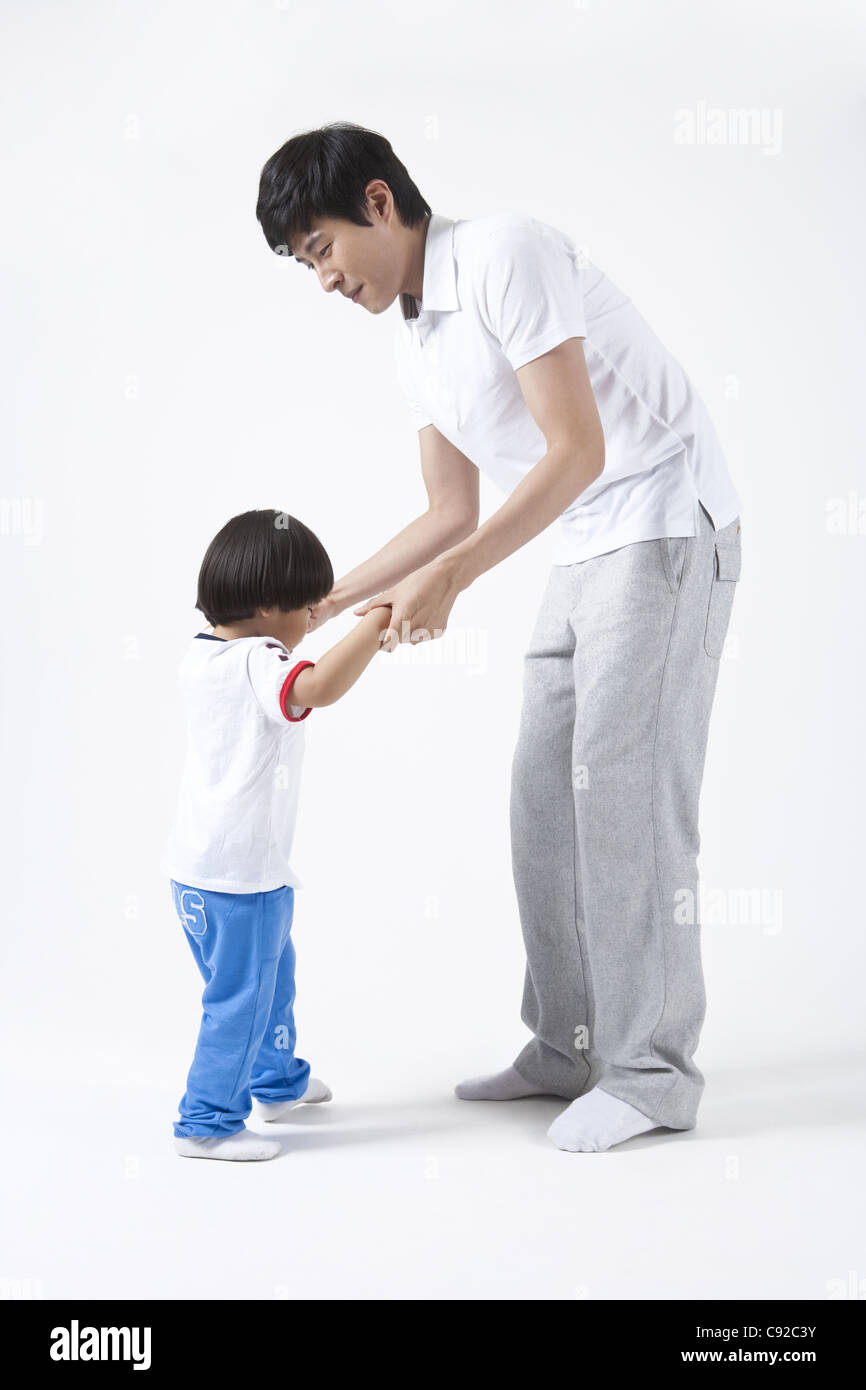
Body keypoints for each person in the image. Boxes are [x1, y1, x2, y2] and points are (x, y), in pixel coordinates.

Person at [255, 122, 743, 1154]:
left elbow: (576, 450)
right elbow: (445, 511)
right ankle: (569, 1043)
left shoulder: (500, 256)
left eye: (320, 249)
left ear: (379, 204)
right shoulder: (413, 341)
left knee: (623, 793)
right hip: (584, 541)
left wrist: (456, 581)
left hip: (660, 517)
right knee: (538, 797)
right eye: (305, 264)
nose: (323, 279)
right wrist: (328, 601)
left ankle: (651, 1072)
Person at [161, 508, 393, 1161]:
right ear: (268, 608)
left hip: (196, 870)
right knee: (241, 997)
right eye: (307, 609)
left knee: (266, 979)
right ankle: (206, 1122)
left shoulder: (204, 654)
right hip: (242, 876)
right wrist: (375, 623)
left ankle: (276, 1082)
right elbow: (314, 687)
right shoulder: (263, 660)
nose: (313, 620)